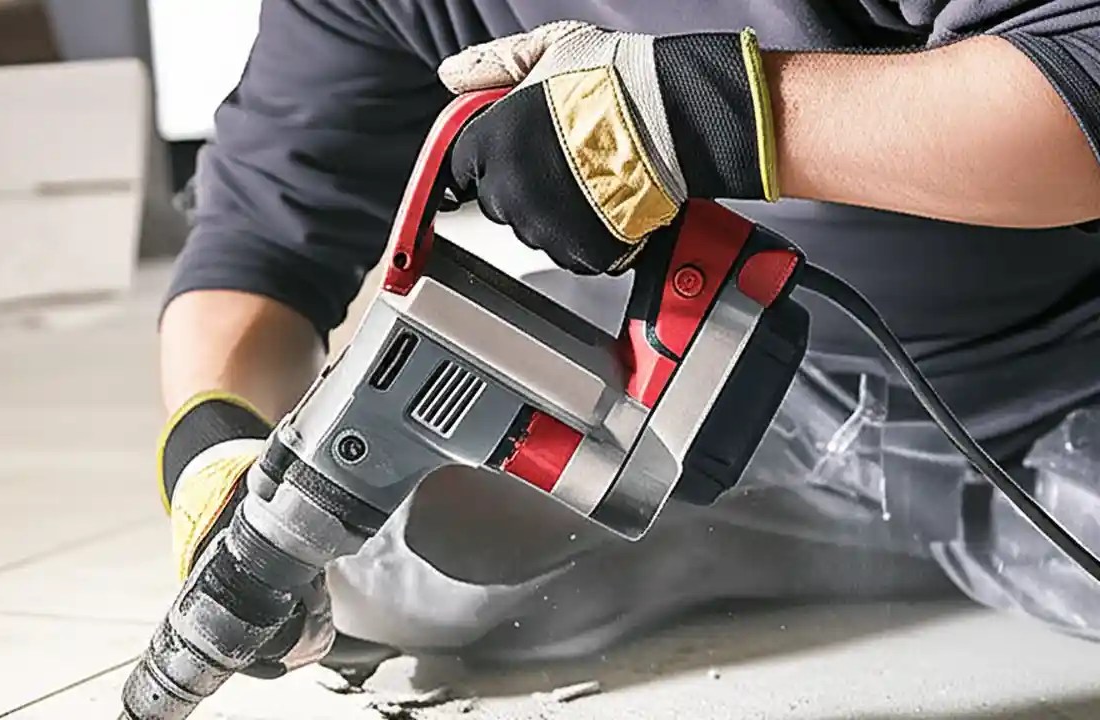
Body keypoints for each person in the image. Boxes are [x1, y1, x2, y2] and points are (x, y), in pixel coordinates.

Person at [155, 1, 1100, 677]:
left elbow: (1080, 66)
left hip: (1055, 366)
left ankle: (910, 533)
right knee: (365, 570)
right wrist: (217, 445)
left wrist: (697, 110)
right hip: (679, 380)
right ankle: (820, 540)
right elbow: (264, 245)